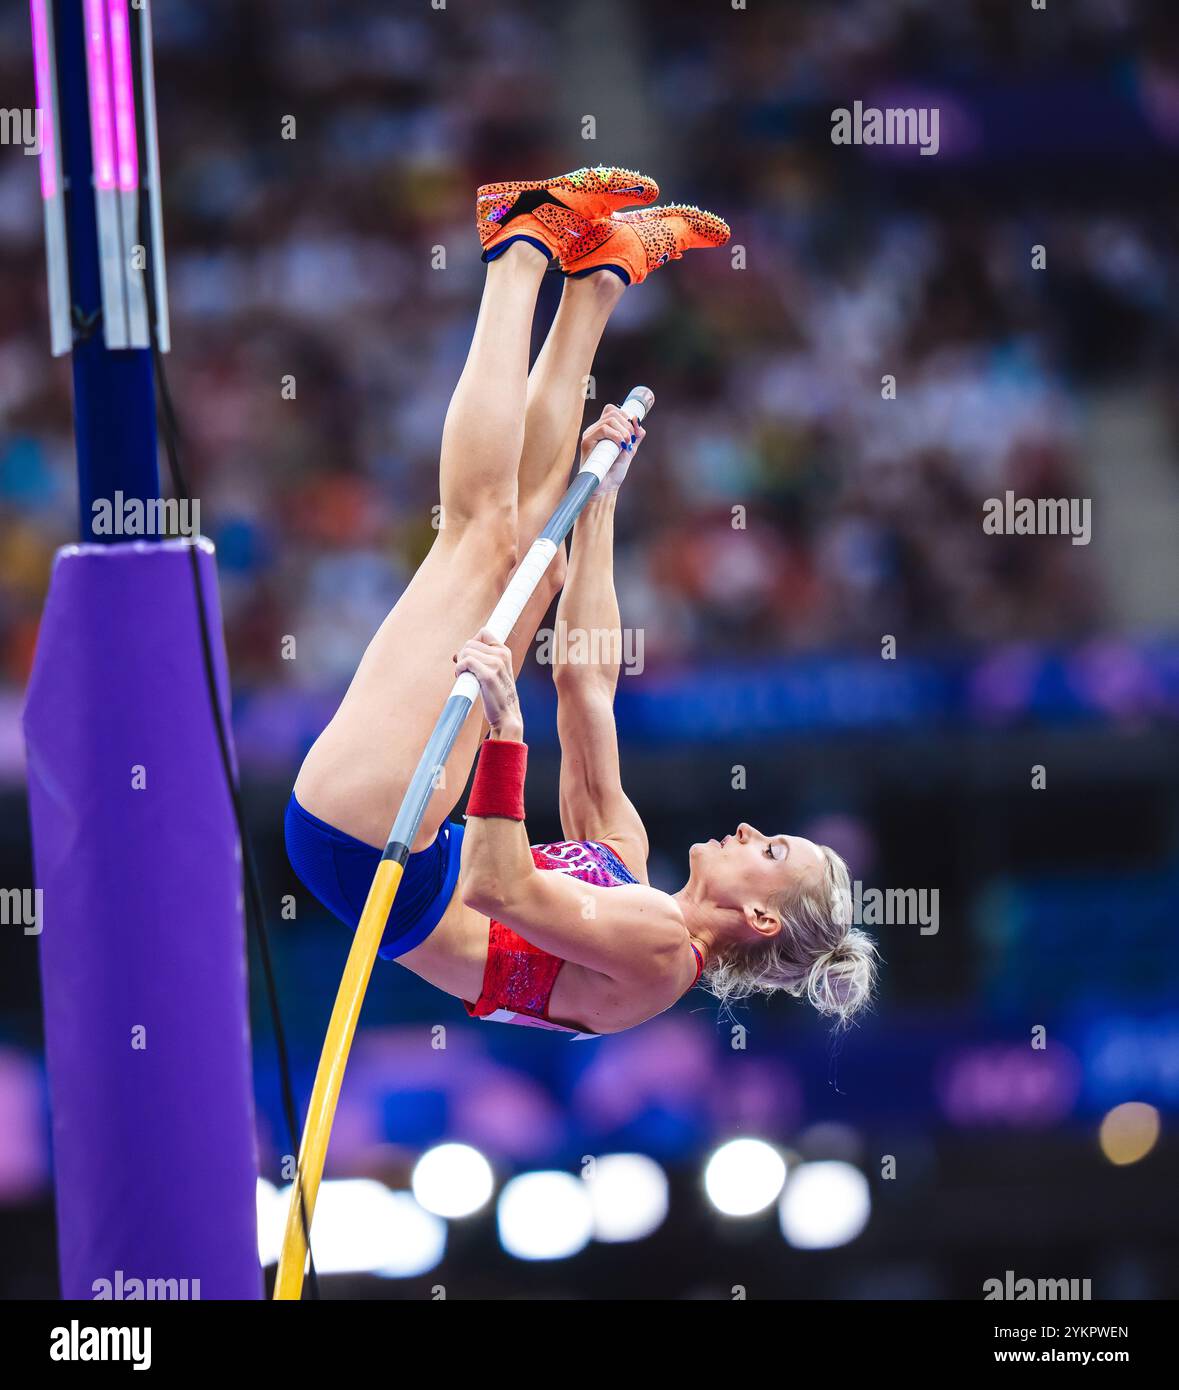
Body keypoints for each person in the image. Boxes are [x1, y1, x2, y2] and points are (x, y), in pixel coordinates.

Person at [287, 166, 876, 1037]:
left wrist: (502, 729)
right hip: (401, 837)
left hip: (376, 846)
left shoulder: (661, 953)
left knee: (482, 540)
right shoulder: (626, 866)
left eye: (771, 851)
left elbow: (500, 886)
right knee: (535, 560)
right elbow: (586, 684)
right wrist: (597, 507)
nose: (751, 828)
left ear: (761, 919)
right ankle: (598, 277)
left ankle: (517, 247)